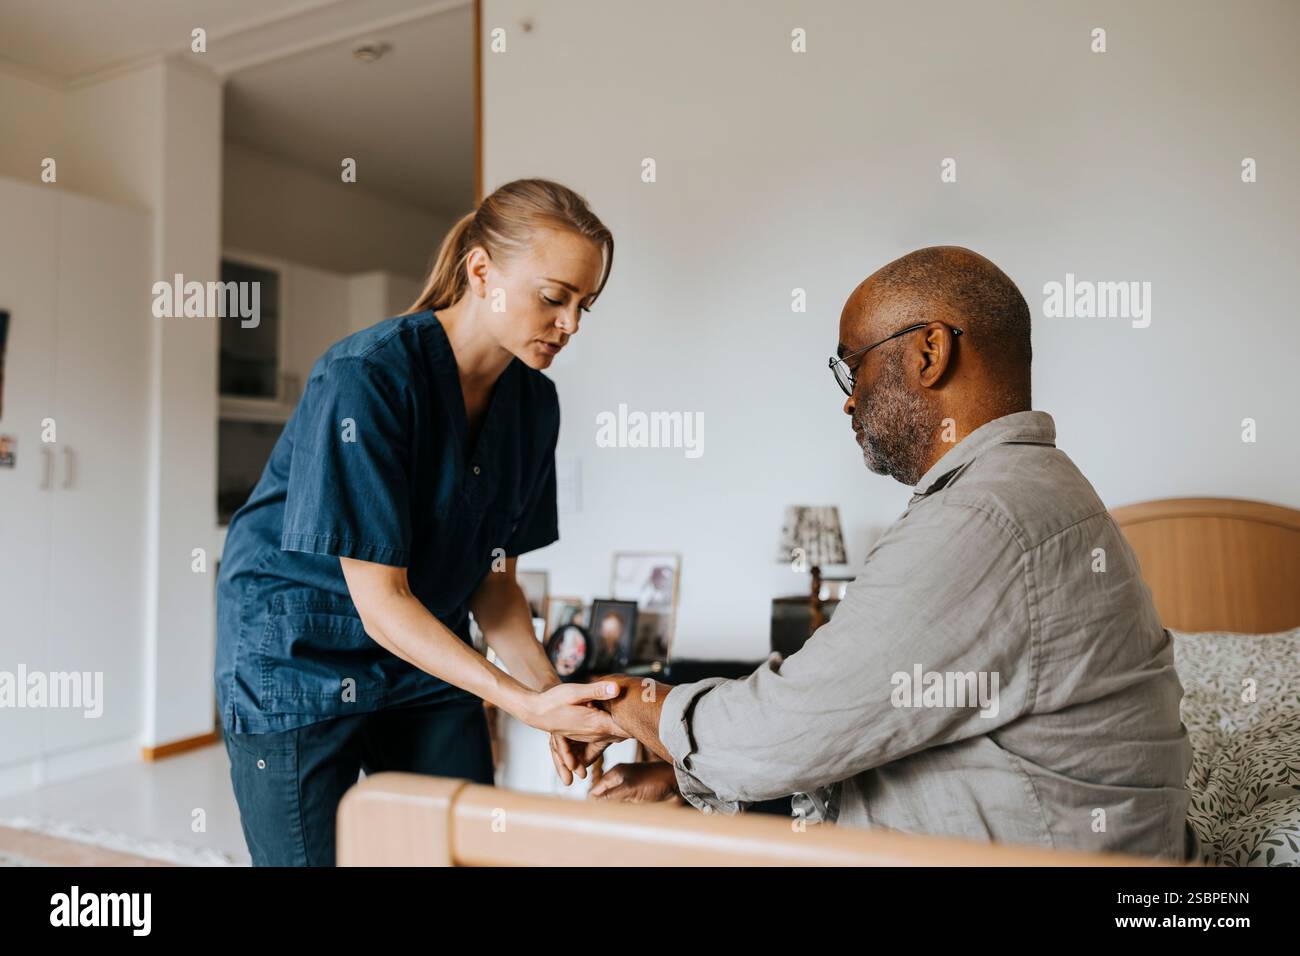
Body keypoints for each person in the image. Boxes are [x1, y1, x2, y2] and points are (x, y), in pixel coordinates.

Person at [587, 246, 1194, 861]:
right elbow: (873, 727)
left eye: (854, 367)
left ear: (931, 352)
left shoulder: (984, 521)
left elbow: (784, 730)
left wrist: (633, 703)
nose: (848, 400)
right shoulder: (1031, 491)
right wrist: (692, 778)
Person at [215, 178, 624, 866]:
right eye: (554, 297)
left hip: (423, 651)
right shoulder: (366, 377)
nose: (572, 324)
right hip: (300, 648)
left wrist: (553, 696)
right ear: (481, 271)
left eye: (587, 304)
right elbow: (380, 604)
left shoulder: (534, 406)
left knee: (458, 851)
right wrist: (516, 703)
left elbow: (494, 587)